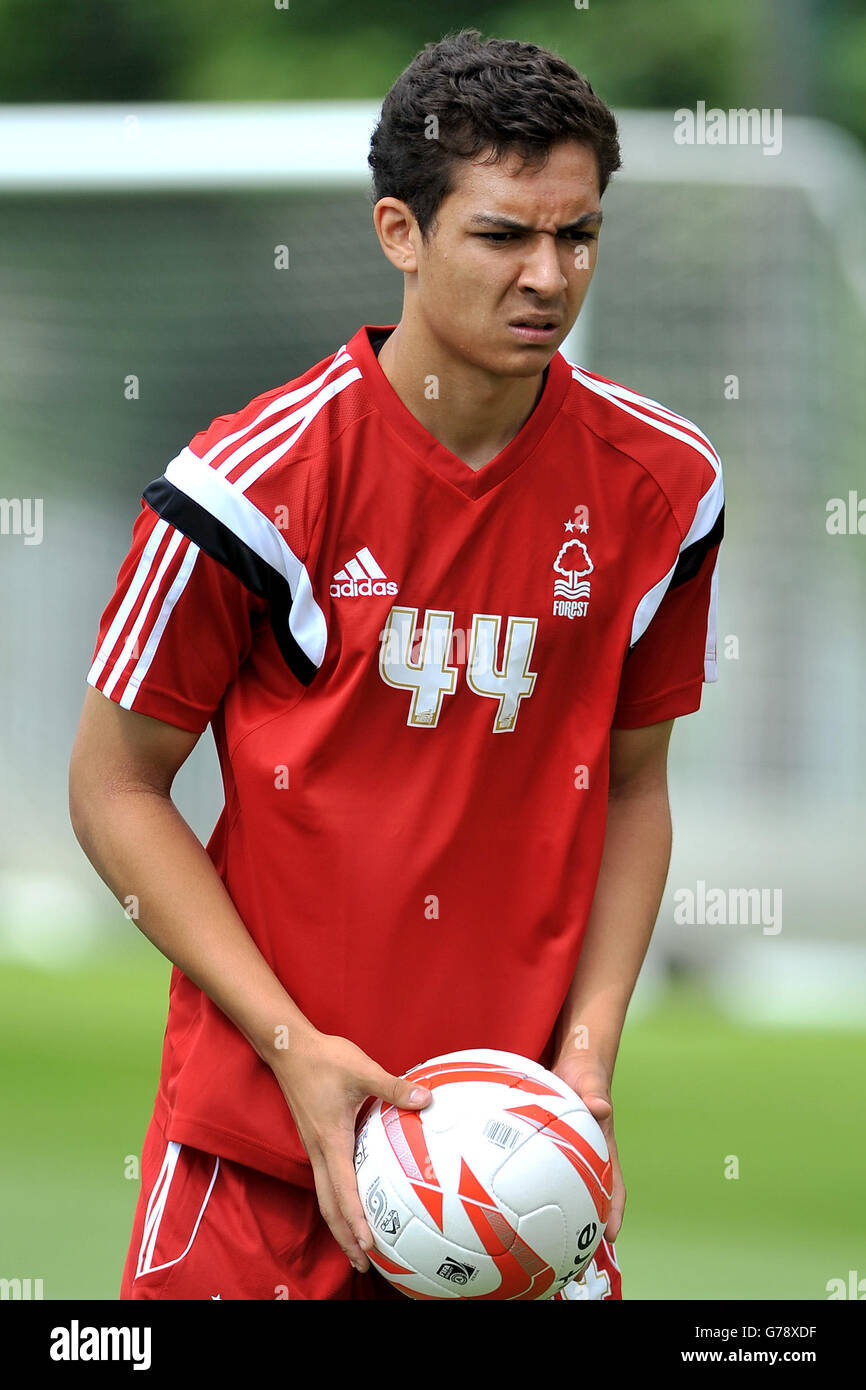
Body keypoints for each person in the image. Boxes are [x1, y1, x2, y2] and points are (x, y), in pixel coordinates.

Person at [69, 28, 723, 1302]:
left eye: (577, 235)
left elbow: (634, 787)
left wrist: (582, 1067)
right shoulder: (245, 489)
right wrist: (291, 1043)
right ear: (399, 232)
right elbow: (114, 788)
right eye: (501, 236)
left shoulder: (666, 488)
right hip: (256, 1145)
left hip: (509, 1162)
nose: (548, 274)